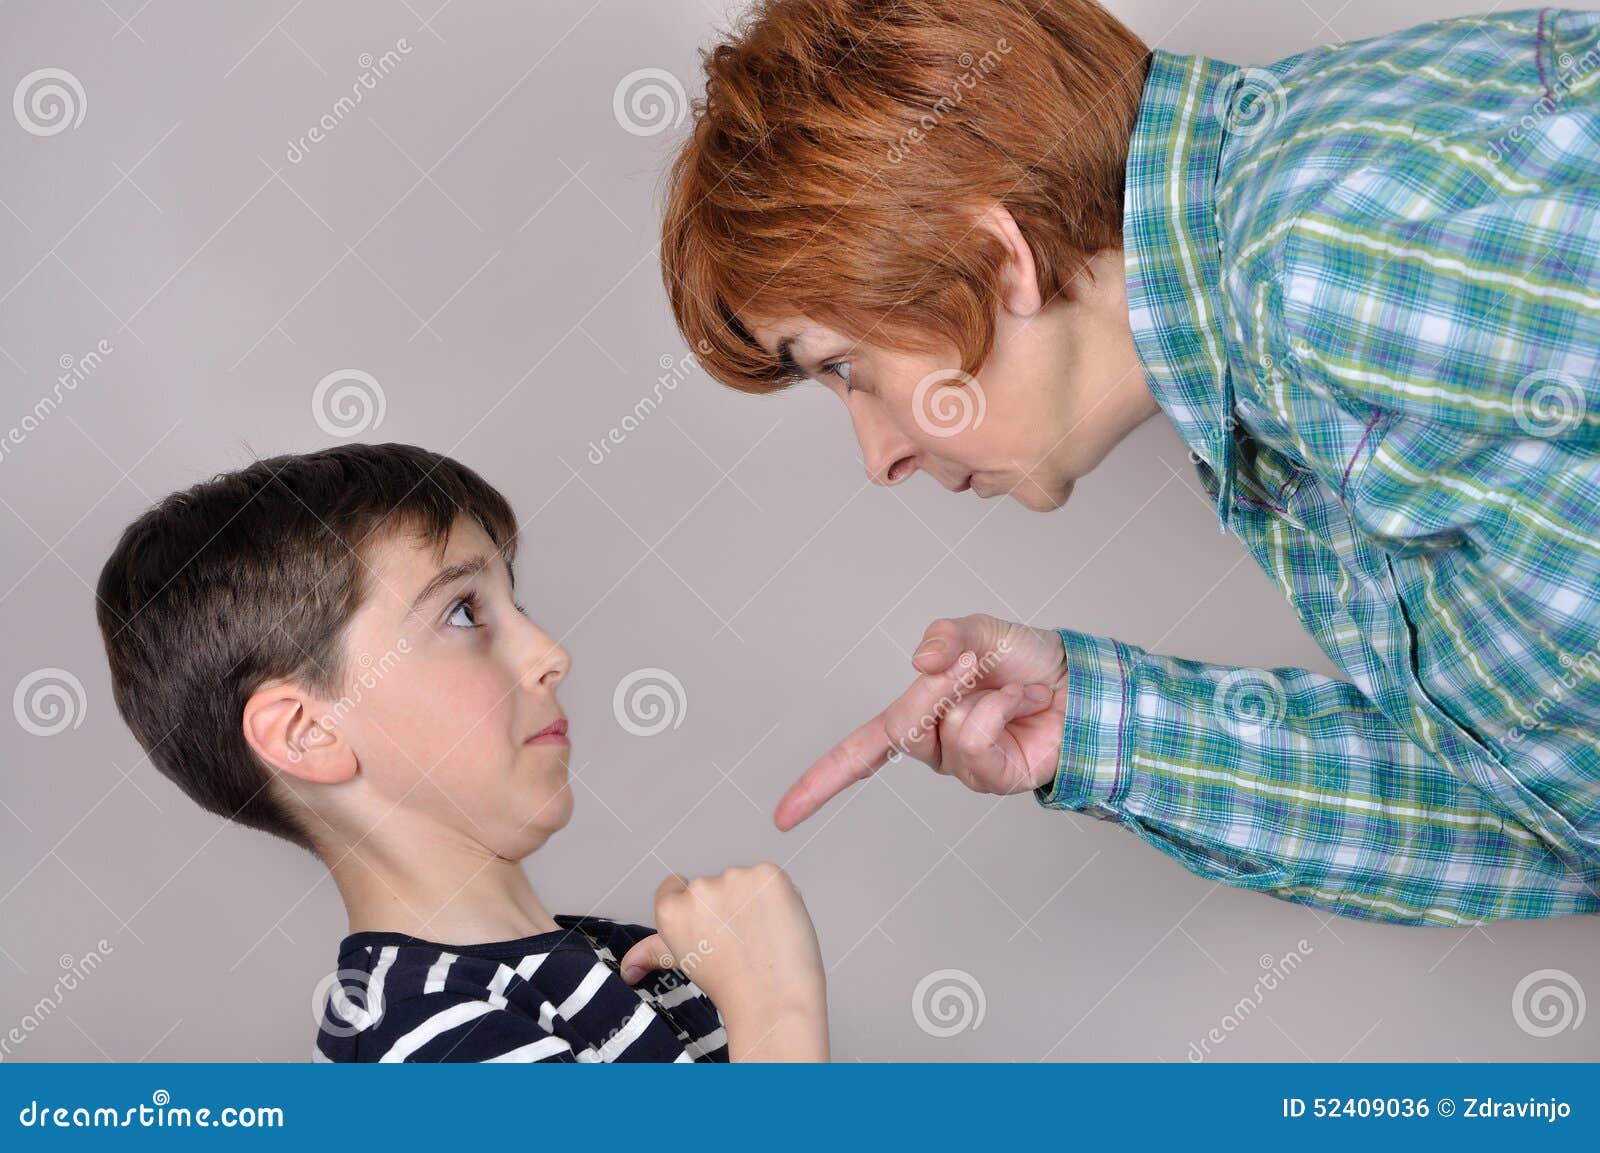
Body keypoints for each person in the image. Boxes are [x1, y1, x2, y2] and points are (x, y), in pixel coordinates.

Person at [660, 0, 1600, 925]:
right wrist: (1104, 728)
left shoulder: (1327, 260)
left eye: (844, 369)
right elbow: (1566, 805)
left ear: (998, 260)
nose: (879, 457)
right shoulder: (1267, 338)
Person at [94, 442, 829, 1061]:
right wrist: (779, 1012)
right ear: (308, 733)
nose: (550, 653)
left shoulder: (633, 959)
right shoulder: (429, 1043)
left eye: (518, 602)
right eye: (463, 611)